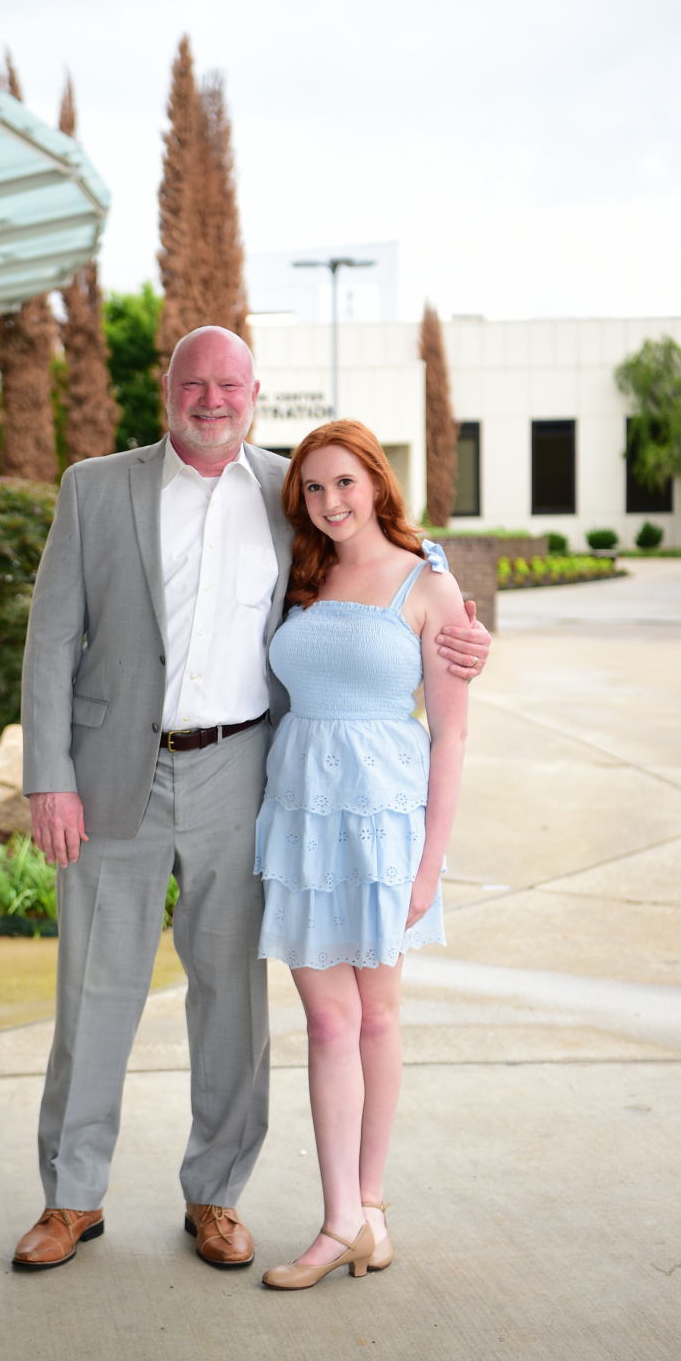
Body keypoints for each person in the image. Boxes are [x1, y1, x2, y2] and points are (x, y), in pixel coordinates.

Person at [12, 328, 490, 1271]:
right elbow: (51, 639)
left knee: (231, 994)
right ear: (168, 388)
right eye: (194, 381)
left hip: (248, 770)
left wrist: (465, 640)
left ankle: (217, 1195)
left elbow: (389, 586)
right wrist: (49, 775)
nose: (211, 398)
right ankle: (71, 1199)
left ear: (254, 392)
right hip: (117, 772)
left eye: (229, 383)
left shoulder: (292, 493)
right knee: (93, 988)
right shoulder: (94, 488)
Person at [256, 419, 469, 1290]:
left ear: (376, 483)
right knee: (326, 1021)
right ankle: (340, 1215)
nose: (330, 501)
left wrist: (429, 865)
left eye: (345, 482)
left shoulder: (429, 582)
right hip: (302, 817)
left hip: (386, 824)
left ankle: (368, 1211)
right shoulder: (300, 574)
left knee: (377, 1018)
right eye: (313, 487)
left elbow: (452, 735)